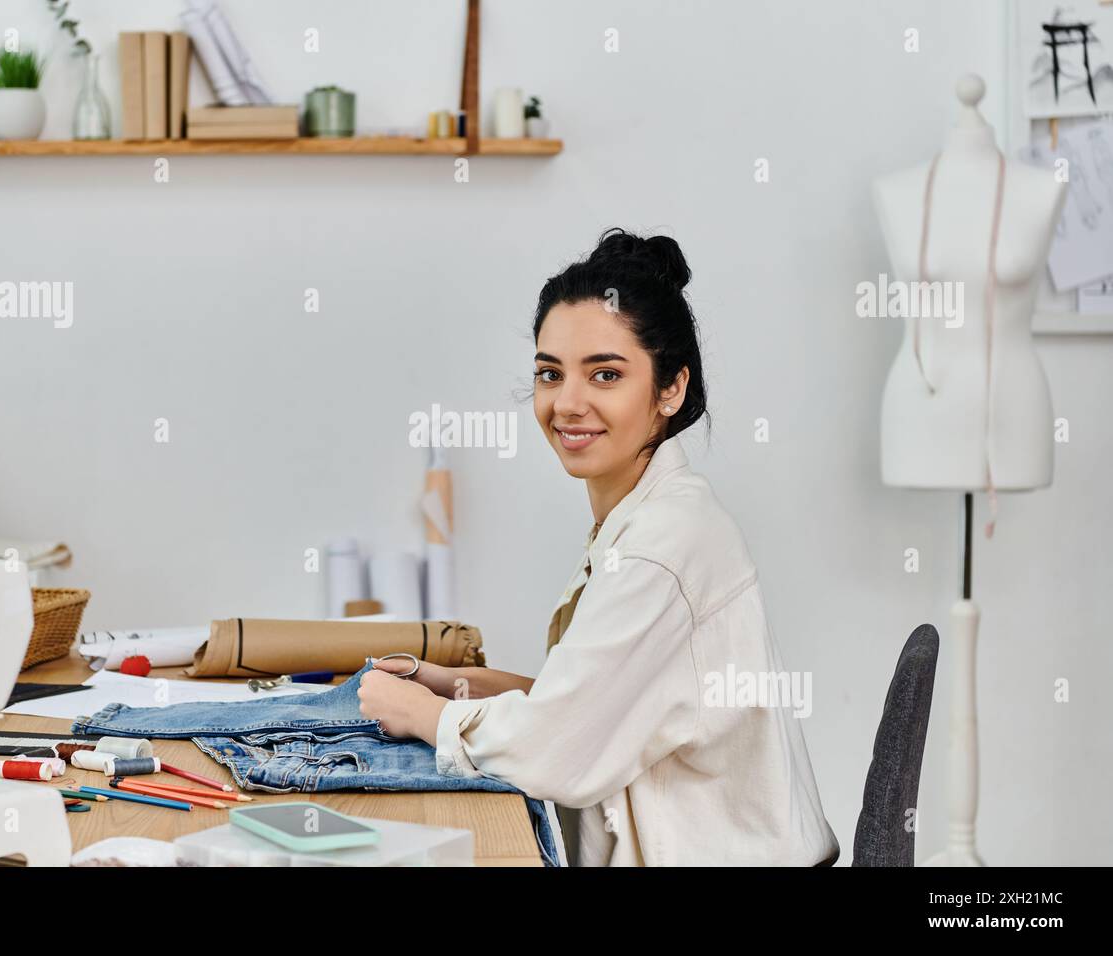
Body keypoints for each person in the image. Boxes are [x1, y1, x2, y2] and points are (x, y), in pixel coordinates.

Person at [357, 227, 840, 866]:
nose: (567, 403)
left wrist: (423, 714)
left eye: (605, 374)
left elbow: (557, 750)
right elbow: (594, 701)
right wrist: (453, 685)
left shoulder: (663, 546)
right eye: (549, 374)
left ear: (670, 389)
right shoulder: (650, 514)